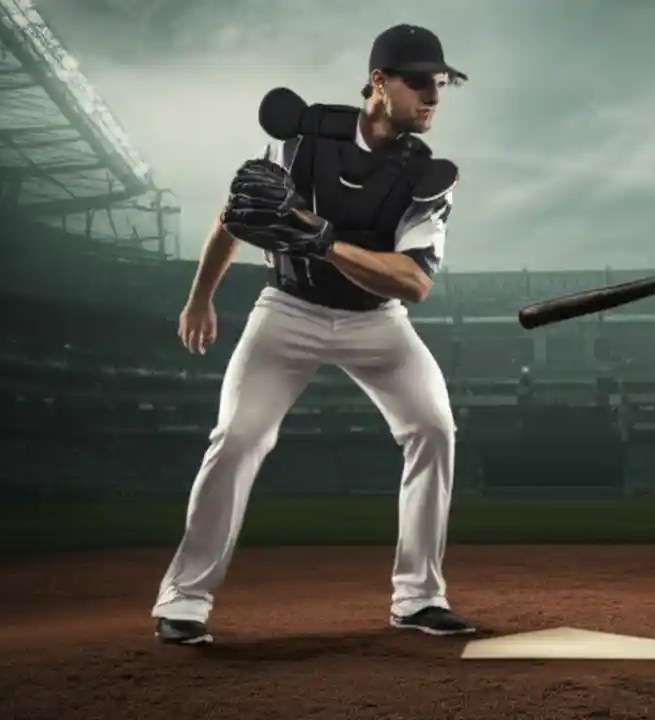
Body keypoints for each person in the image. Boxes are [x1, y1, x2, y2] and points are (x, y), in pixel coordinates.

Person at [151, 24, 476, 645]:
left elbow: (413, 283)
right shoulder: (300, 139)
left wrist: (322, 239)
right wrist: (200, 298)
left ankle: (418, 597)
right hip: (289, 309)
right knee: (238, 437)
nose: (433, 95)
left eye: (440, 82)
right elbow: (240, 212)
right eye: (418, 81)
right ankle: (184, 599)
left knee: (433, 429)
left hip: (376, 321)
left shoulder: (428, 175)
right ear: (378, 82)